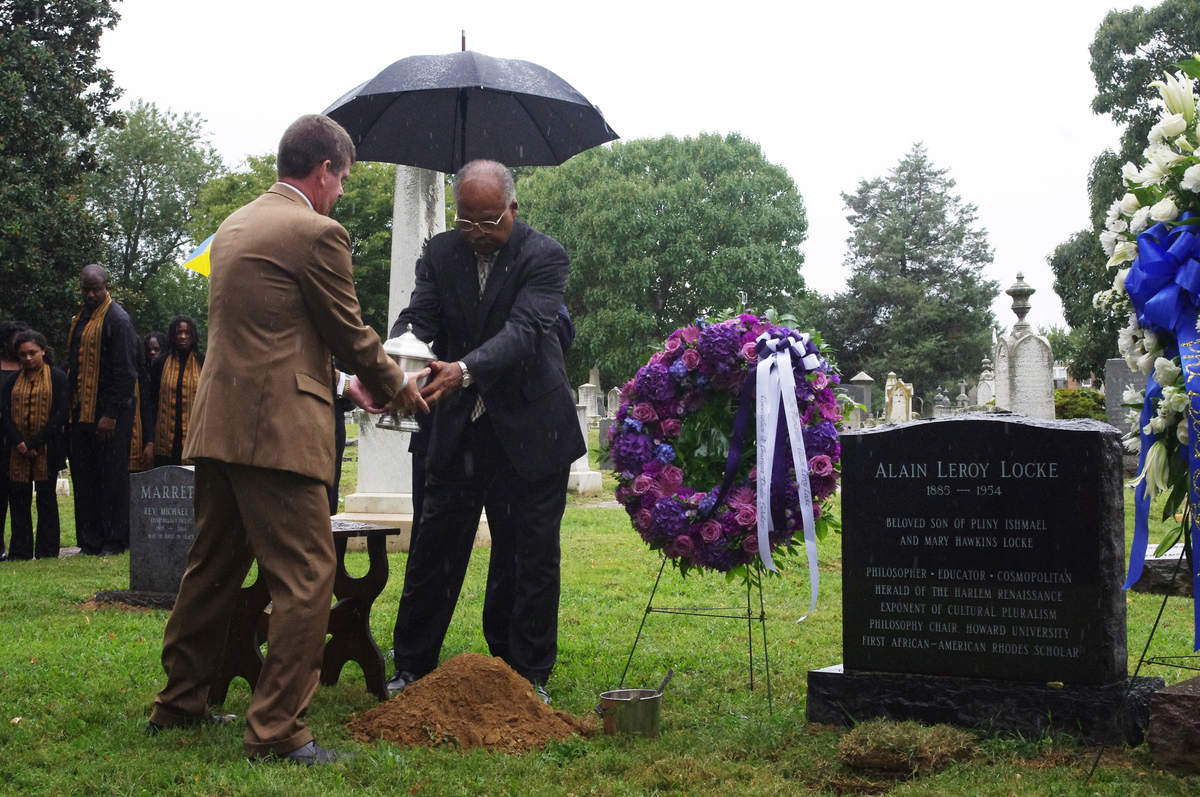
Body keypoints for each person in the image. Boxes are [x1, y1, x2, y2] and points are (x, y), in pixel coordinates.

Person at [149, 115, 426, 766]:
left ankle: (180, 700)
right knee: (308, 574)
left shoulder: (237, 225)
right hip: (275, 433)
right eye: (343, 180)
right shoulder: (316, 232)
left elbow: (270, 333)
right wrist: (400, 388)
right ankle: (278, 730)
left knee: (212, 568)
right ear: (324, 169)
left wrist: (340, 387)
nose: (340, 194)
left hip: (220, 424)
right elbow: (351, 331)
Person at [386, 160, 586, 703]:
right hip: (458, 430)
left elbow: (525, 332)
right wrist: (396, 355)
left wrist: (465, 369)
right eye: (465, 222)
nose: (475, 235)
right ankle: (411, 666)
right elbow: (420, 317)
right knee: (435, 548)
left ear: (513, 210)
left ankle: (524, 675)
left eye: (488, 222)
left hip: (531, 429)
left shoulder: (545, 256)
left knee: (528, 556)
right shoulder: (441, 252)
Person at [65, 264, 139, 556]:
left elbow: (126, 373)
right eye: (86, 288)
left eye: (97, 288)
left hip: (110, 413)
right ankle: (90, 540)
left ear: (107, 286)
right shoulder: (81, 317)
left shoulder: (118, 320)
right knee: (85, 478)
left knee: (112, 477)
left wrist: (110, 415)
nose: (91, 293)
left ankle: (113, 540)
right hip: (81, 411)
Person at [1, 330, 67, 560]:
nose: (28, 358)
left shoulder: (58, 378)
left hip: (47, 448)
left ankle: (47, 551)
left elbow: (60, 414)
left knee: (46, 500)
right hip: (17, 451)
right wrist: (20, 442)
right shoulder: (11, 382)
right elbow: (5, 415)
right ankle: (20, 551)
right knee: (19, 502)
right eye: (23, 354)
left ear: (43, 351)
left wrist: (34, 441)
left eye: (33, 353)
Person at [142, 315, 204, 467]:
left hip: (195, 443)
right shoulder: (160, 364)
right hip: (164, 445)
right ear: (173, 335)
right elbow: (151, 405)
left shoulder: (203, 363)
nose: (182, 336)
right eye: (179, 332)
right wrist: (149, 441)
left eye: (187, 333)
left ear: (193, 336)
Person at [0, 320, 31, 561]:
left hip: (23, 441)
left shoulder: (31, 369)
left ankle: (21, 548)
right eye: (16, 340)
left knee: (20, 496)